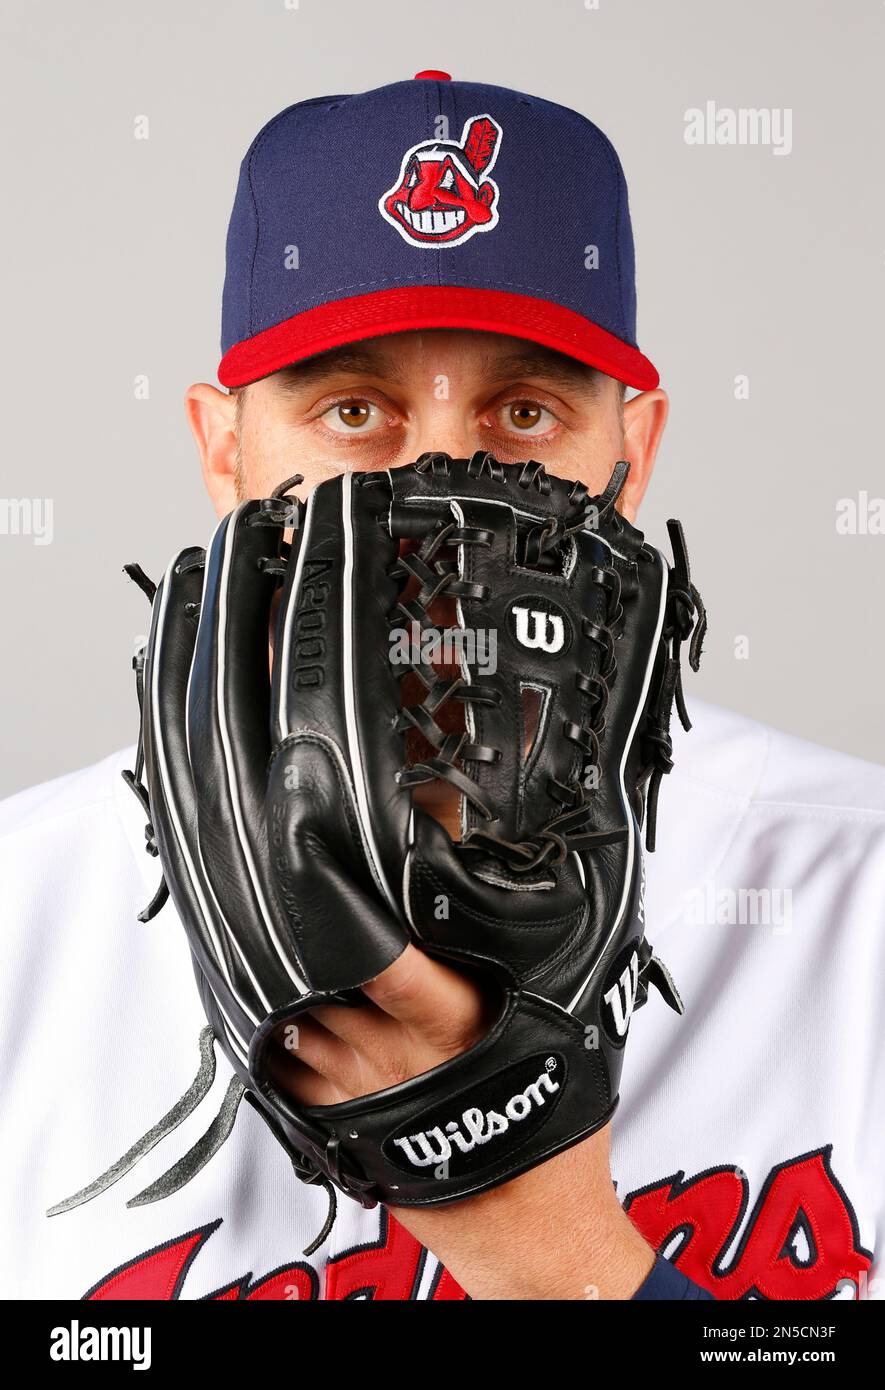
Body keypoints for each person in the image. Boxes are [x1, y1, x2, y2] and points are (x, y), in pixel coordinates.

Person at [1, 72, 881, 1302]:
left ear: (632, 462)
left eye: (525, 414)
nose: (444, 484)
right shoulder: (17, 923)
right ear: (225, 453)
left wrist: (546, 1240)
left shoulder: (858, 905)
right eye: (353, 409)